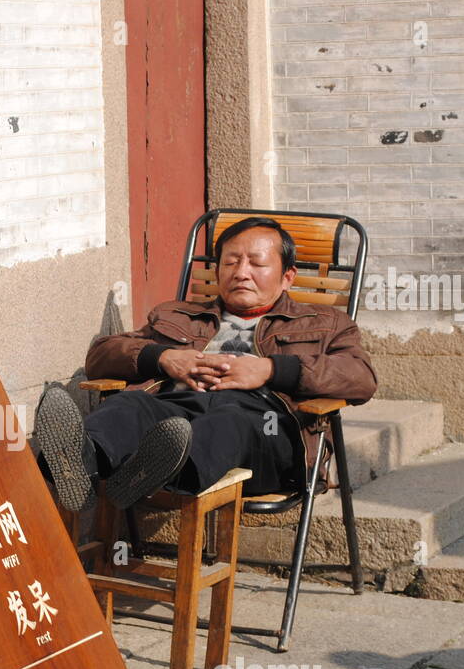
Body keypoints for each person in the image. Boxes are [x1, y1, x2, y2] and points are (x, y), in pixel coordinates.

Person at [35, 216, 378, 513]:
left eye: (256, 263)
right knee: (131, 404)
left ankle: (158, 472)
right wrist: (164, 358)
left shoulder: (326, 322)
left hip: (264, 426)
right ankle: (79, 464)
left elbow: (361, 377)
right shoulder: (177, 315)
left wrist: (272, 370)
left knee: (229, 419)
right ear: (217, 270)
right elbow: (100, 356)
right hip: (174, 411)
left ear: (287, 277)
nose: (241, 272)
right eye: (231, 262)